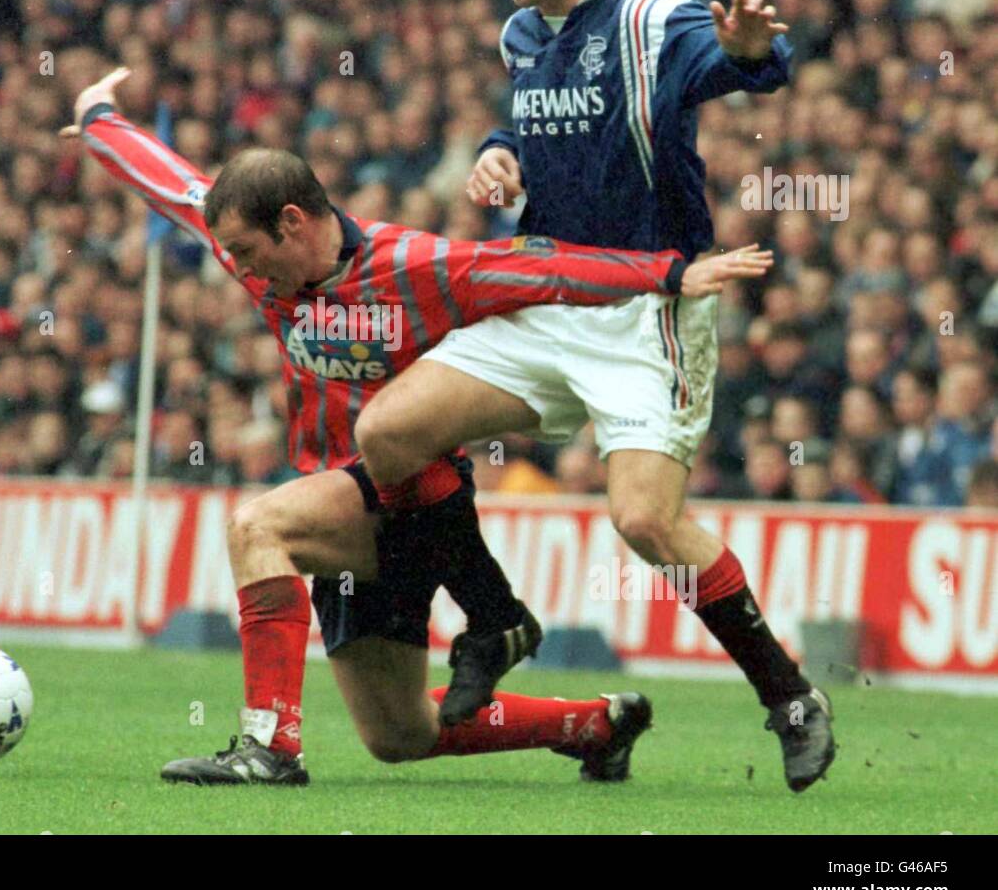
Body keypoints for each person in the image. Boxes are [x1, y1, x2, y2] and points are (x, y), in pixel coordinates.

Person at [65, 68, 771, 784]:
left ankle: (268, 748)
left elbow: (545, 268)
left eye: (248, 252)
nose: (240, 268)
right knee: (398, 734)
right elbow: (172, 184)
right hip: (347, 500)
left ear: (293, 223)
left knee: (258, 528)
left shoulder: (417, 266)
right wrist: (98, 119)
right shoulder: (253, 252)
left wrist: (668, 274)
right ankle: (596, 723)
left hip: (411, 490)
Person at [352, 0, 834, 793]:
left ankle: (788, 694)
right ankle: (496, 621)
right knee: (388, 431)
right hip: (546, 296)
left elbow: (739, 59)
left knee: (645, 523)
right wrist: (500, 151)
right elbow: (539, 116)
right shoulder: (523, 32)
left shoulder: (654, 19)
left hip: (647, 313)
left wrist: (751, 49)